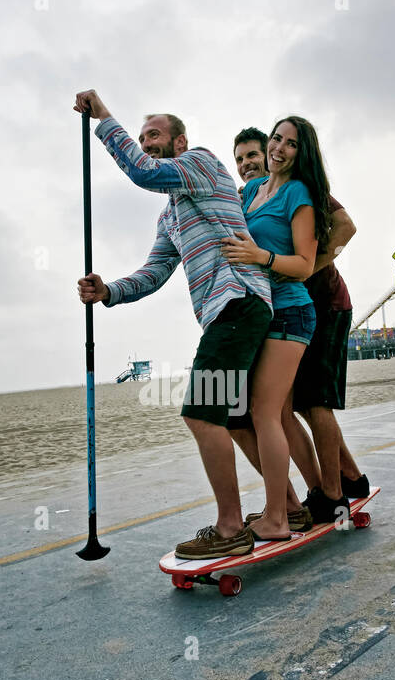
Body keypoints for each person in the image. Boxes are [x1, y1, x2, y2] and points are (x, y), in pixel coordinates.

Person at [72, 89, 279, 559]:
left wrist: (103, 117)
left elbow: (143, 173)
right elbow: (154, 273)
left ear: (180, 142)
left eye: (154, 135)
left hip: (238, 299)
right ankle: (286, 505)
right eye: (142, 137)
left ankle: (231, 528)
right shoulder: (170, 216)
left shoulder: (202, 164)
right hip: (225, 313)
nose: (146, 144)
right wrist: (108, 292)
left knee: (200, 412)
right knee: (236, 417)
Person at [228, 126, 370, 524]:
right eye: (239, 160)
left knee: (313, 402)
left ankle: (333, 495)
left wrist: (308, 269)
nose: (247, 164)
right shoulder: (252, 196)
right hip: (280, 311)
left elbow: (346, 228)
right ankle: (351, 479)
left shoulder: (297, 187)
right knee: (286, 407)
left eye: (252, 155)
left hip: (324, 304)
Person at [220, 117, 323, 539]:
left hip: (290, 312)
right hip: (256, 314)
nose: (280, 148)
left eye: (290, 144)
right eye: (277, 138)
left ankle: (277, 517)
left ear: (302, 153)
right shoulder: (252, 192)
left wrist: (260, 257)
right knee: (239, 413)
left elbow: (304, 264)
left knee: (265, 412)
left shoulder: (298, 193)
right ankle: (287, 507)